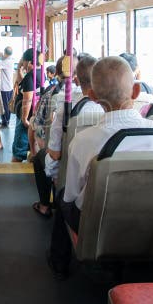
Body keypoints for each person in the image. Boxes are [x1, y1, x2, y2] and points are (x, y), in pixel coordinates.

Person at [47, 57, 153, 278]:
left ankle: (59, 263)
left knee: (62, 198)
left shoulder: (84, 140)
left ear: (92, 97)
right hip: (150, 220)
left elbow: (72, 195)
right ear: (135, 91)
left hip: (99, 221)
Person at [32, 55, 101, 218]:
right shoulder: (108, 108)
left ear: (77, 80)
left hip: (71, 176)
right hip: (100, 180)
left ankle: (44, 205)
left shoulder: (66, 107)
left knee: (40, 158)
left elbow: (55, 154)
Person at [11, 48, 36, 162]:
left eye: (24, 61)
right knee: (30, 148)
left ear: (29, 62)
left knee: (18, 152)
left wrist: (24, 118)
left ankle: (15, 178)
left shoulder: (30, 76)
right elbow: (22, 85)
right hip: (32, 115)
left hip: (25, 116)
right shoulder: (37, 74)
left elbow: (28, 99)